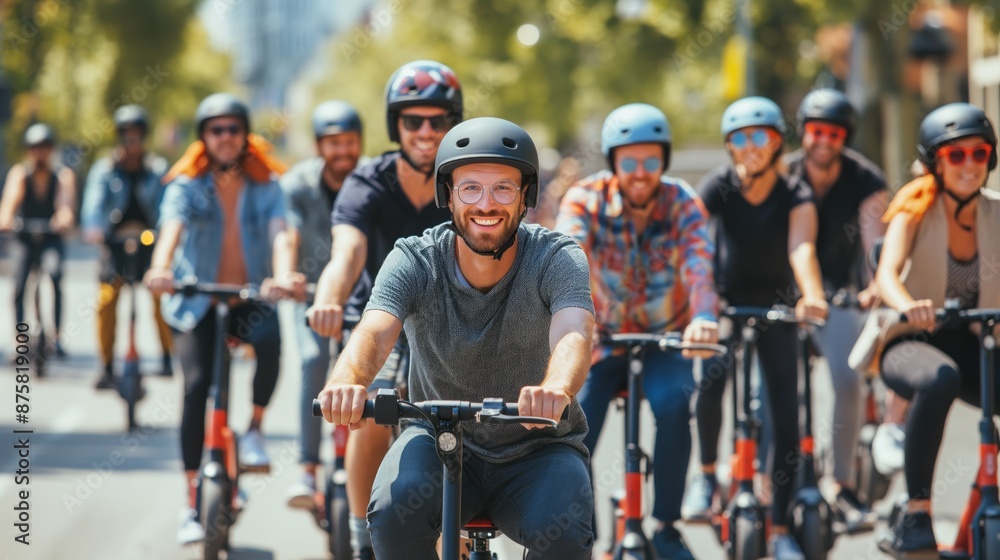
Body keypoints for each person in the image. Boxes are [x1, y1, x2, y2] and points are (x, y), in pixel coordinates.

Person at [316, 117, 596, 560]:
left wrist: (556, 388)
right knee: (392, 512)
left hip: (538, 447)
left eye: (504, 188)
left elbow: (574, 331)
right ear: (448, 195)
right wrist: (347, 380)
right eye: (470, 189)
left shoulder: (557, 257)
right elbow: (373, 329)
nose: (487, 204)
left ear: (526, 196)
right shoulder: (414, 258)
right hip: (437, 441)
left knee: (564, 531)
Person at [307, 60, 458, 559]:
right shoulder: (367, 181)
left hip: (447, 324)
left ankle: (455, 533)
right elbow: (346, 252)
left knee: (457, 421)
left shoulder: (465, 182)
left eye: (438, 121)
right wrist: (328, 300)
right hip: (380, 321)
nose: (425, 132)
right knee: (373, 410)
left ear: (454, 124)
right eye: (413, 121)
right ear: (396, 125)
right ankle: (360, 535)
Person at [555, 103, 718, 559]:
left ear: (663, 161)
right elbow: (568, 255)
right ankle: (580, 528)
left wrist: (705, 317)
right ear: (613, 162)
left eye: (651, 161)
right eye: (629, 161)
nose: (641, 172)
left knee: (673, 405)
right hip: (602, 340)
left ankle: (665, 524)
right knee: (574, 420)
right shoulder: (584, 199)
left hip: (666, 337)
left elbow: (699, 264)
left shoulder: (682, 200)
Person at [142, 93, 301, 545]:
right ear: (204, 137)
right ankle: (193, 498)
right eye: (216, 130)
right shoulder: (188, 183)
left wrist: (285, 272)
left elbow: (280, 232)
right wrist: (160, 267)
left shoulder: (266, 183)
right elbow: (171, 227)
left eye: (233, 129)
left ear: (244, 135)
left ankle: (252, 429)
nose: (225, 137)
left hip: (249, 295)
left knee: (270, 342)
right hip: (197, 299)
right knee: (195, 388)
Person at [682, 96, 828, 560]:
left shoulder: (795, 193)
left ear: (775, 144)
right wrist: (698, 304)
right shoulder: (719, 185)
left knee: (787, 414)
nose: (750, 147)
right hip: (726, 302)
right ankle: (707, 477)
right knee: (710, 378)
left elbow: (801, 248)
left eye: (760, 137)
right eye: (740, 139)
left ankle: (780, 527)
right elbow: (693, 239)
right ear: (729, 146)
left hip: (778, 307)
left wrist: (812, 295)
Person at [867, 103, 1000, 555]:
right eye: (955, 155)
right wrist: (909, 306)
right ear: (934, 162)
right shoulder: (914, 208)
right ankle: (917, 509)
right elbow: (887, 275)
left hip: (974, 340)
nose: (969, 165)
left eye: (979, 154)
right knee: (938, 378)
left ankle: (985, 501)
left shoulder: (996, 214)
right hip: (910, 341)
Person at [785, 88, 887, 531]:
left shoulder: (866, 178)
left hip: (839, 294)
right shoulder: (784, 173)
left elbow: (874, 241)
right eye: (816, 130)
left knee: (849, 378)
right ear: (804, 133)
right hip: (782, 296)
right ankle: (765, 484)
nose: (824, 139)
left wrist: (876, 284)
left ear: (845, 137)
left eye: (834, 132)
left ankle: (841, 485)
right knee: (767, 389)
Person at [280, 100, 364, 511]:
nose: (343, 151)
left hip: (366, 301)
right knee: (314, 361)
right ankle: (307, 469)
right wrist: (285, 275)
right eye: (333, 143)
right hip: (311, 298)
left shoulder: (370, 181)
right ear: (318, 146)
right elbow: (287, 236)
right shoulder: (297, 184)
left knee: (381, 378)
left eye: (349, 142)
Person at [81, 105, 174, 389]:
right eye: (126, 136)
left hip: (150, 246)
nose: (131, 142)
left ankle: (167, 357)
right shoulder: (105, 169)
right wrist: (94, 229)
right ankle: (107, 366)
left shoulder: (156, 169)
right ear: (120, 137)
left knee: (161, 296)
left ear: (144, 137)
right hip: (115, 245)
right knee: (106, 299)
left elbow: (168, 205)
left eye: (136, 136)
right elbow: (93, 205)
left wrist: (166, 232)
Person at [0, 123, 76, 357]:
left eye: (43, 147)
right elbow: (9, 205)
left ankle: (57, 336)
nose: (39, 152)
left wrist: (62, 219)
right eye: (34, 148)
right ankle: (19, 339)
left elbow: (65, 206)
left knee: (54, 274)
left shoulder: (63, 176)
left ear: (50, 149)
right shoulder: (20, 174)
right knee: (20, 285)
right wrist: (7, 220)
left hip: (50, 238)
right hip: (24, 238)